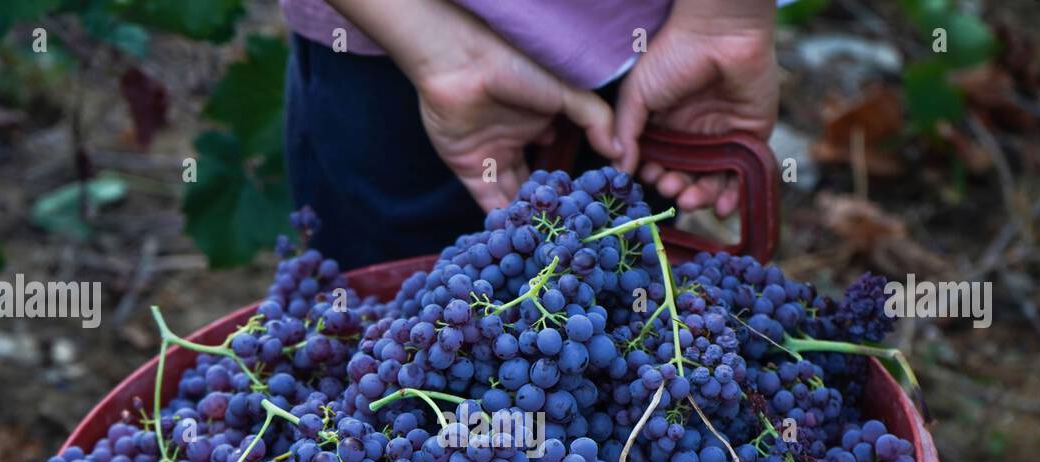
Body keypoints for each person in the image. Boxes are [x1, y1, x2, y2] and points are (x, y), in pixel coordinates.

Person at [282, 0, 779, 268]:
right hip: (391, 47)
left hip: (656, 53)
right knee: (387, 335)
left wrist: (724, 22)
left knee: (616, 296)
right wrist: (726, 20)